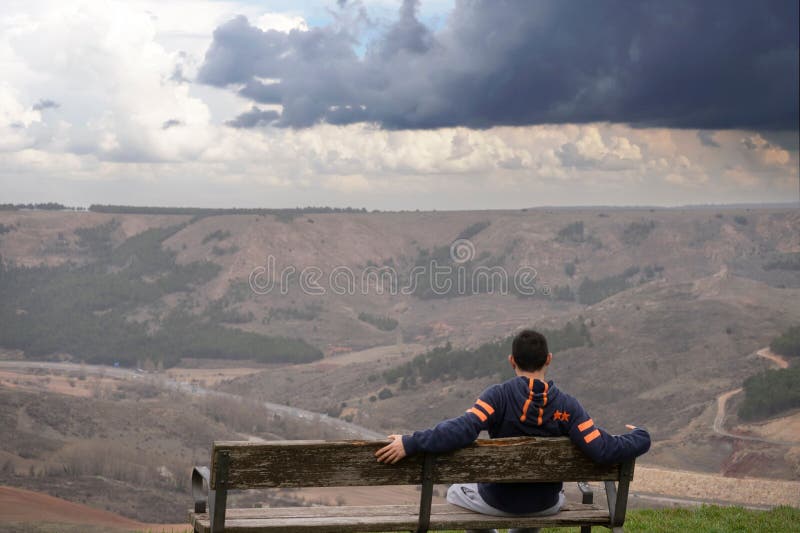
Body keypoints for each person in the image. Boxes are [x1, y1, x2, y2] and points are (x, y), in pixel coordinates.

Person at [375, 329, 651, 533]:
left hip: (498, 500)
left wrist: (410, 443)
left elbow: (462, 429)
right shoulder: (568, 407)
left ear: (511, 361)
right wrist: (640, 437)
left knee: (455, 492)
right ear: (549, 360)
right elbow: (601, 448)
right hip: (546, 503)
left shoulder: (498, 397)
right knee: (534, 499)